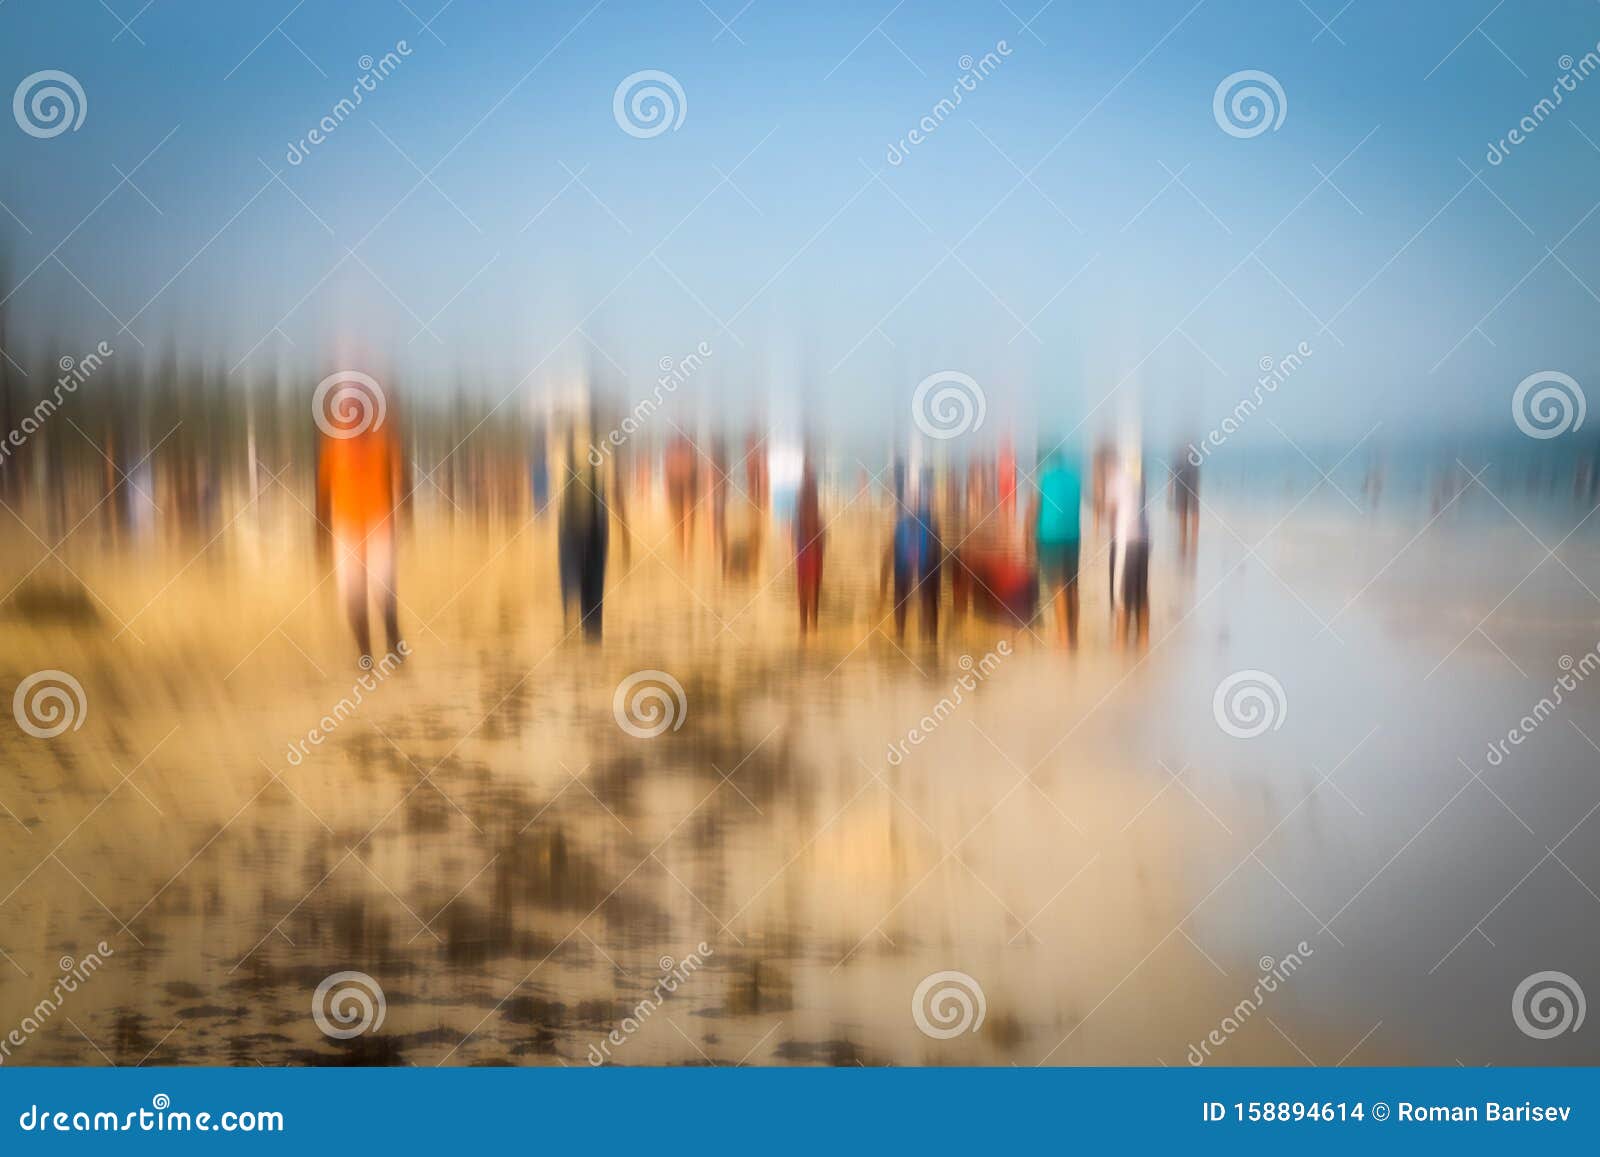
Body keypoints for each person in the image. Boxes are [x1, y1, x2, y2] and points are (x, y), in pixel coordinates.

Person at [316, 390, 407, 662]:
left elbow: (398, 481)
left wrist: (399, 516)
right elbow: (323, 488)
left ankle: (395, 649)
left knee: (383, 589)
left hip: (379, 521)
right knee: (353, 593)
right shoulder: (333, 443)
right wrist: (320, 529)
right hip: (346, 524)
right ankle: (365, 656)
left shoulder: (383, 438)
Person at [558, 431, 627, 640]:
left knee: (588, 574)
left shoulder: (601, 452)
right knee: (581, 574)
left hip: (589, 516)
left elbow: (614, 485)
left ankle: (589, 630)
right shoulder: (564, 451)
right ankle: (584, 629)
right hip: (578, 517)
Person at [882, 476, 942, 642]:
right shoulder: (902, 524)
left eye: (917, 499)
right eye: (911, 500)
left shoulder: (928, 522)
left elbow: (936, 551)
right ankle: (902, 635)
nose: (914, 504)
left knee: (928, 600)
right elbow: (890, 550)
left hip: (925, 567)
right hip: (906, 566)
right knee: (902, 598)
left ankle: (930, 637)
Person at [1032, 448, 1082, 648]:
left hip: (1050, 536)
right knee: (1072, 585)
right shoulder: (1075, 477)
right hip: (1073, 536)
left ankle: (1064, 637)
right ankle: (1073, 635)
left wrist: (1028, 536)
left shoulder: (1044, 476)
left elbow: (1035, 507)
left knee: (1058, 586)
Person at [1108, 452, 1150, 649]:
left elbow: (1112, 510)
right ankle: (1143, 641)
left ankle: (1120, 643)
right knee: (1141, 593)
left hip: (1125, 540)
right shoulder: (1140, 477)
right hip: (1144, 539)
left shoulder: (1117, 477)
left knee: (1121, 594)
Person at [794, 457, 824, 634]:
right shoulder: (808, 494)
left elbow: (803, 517)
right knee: (810, 583)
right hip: (809, 542)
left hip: (807, 542)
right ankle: (810, 623)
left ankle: (807, 624)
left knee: (806, 584)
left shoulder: (805, 494)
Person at [1170, 450, 1200, 557]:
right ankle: (1186, 545)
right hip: (1183, 462)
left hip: (1188, 461)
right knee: (1184, 509)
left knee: (1191, 509)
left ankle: (1191, 546)